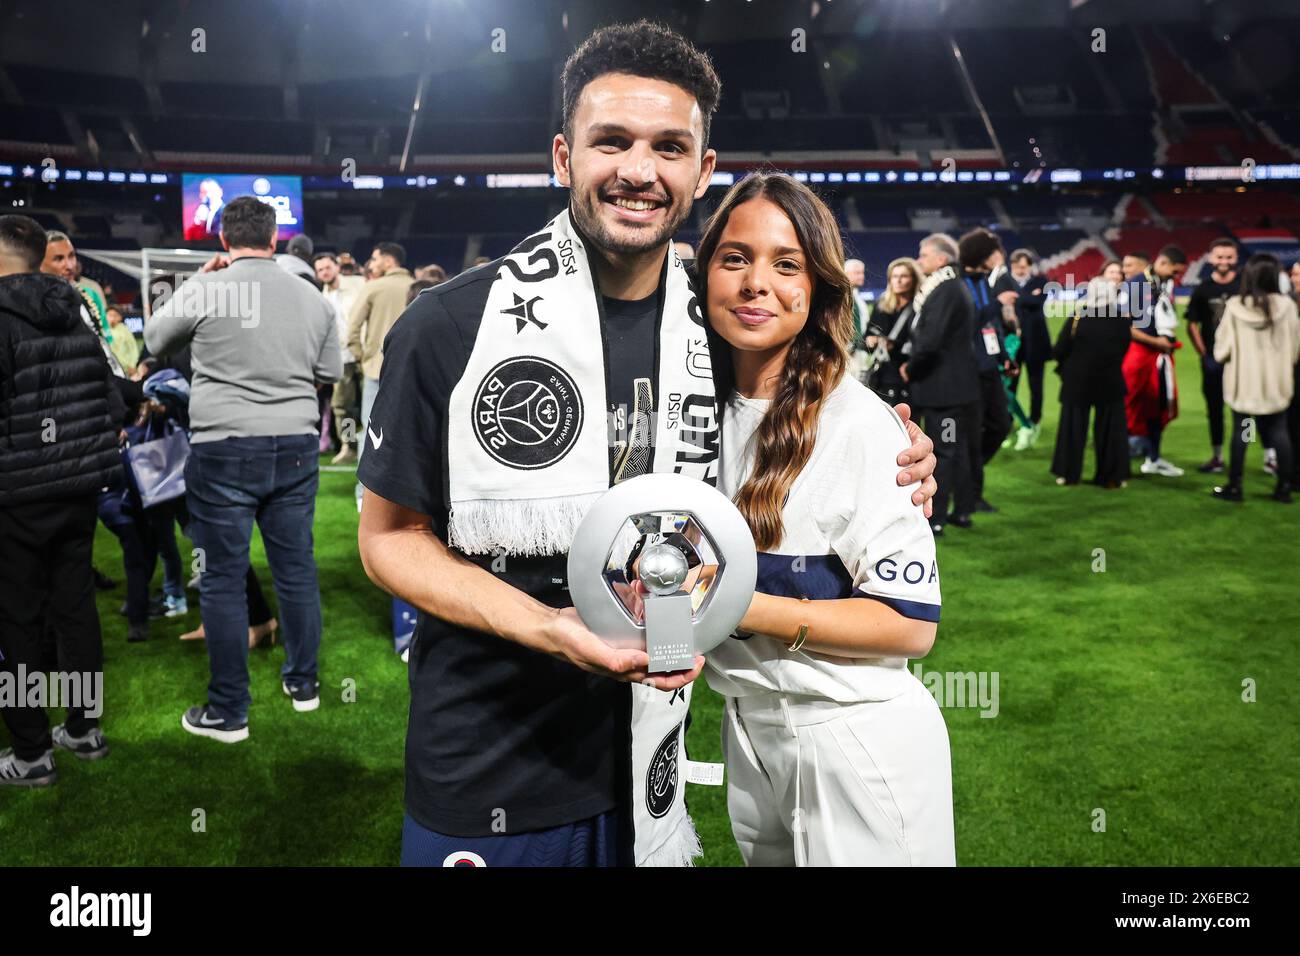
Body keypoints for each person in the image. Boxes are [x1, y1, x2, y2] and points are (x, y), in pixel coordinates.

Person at [354, 19, 938, 868]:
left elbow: (801, 404)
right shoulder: (451, 327)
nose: (638, 169)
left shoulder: (714, 326)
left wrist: (906, 448)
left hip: (650, 760)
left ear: (702, 172)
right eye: (611, 141)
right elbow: (389, 541)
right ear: (564, 157)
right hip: (490, 764)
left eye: (669, 146)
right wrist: (552, 628)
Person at [697, 172, 952, 867]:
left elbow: (909, 625)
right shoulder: (688, 403)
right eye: (734, 258)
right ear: (704, 272)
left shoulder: (862, 425)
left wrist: (732, 605)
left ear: (820, 290)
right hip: (749, 726)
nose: (756, 283)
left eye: (787, 264)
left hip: (853, 736)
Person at [145, 195, 341, 742]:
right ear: (275, 239)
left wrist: (199, 281)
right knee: (296, 570)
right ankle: (304, 684)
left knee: (222, 579)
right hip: (296, 443)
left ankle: (229, 711)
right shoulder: (312, 297)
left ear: (223, 241)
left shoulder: (209, 286)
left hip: (224, 446)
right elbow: (329, 370)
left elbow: (157, 340)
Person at [0, 214, 124, 786]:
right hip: (75, 489)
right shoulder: (75, 310)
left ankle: (31, 752)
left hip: (16, 496)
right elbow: (112, 398)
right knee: (74, 609)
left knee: (19, 622)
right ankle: (84, 728)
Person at [901, 233, 979, 535]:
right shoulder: (952, 287)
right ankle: (962, 510)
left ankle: (936, 517)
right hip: (952, 387)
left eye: (924, 254)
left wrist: (912, 366)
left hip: (942, 389)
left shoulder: (945, 290)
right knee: (955, 450)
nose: (920, 260)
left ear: (941, 259)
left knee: (944, 452)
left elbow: (931, 342)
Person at [1210, 254, 1300, 503]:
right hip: (1276, 386)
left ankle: (1236, 486)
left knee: (1243, 431)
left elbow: (1221, 351)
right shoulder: (1287, 307)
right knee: (1279, 431)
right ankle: (1283, 488)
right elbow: (1295, 349)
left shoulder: (1236, 307)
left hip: (1245, 387)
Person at [1050, 265, 1132, 488]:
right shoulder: (1122, 320)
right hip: (1110, 380)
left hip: (1078, 380)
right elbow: (1124, 348)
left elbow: (1060, 348)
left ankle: (1068, 474)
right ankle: (1111, 477)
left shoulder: (1079, 316)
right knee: (1111, 430)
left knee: (1072, 429)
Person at [345, 241, 414, 498]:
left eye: (374, 259)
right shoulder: (418, 287)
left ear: (388, 260)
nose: (372, 264)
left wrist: (364, 357)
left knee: (370, 430)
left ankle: (365, 494)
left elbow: (352, 330)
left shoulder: (374, 287)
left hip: (377, 371)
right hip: (410, 372)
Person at [957, 228, 1015, 514]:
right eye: (995, 252)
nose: (1000, 257)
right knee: (971, 434)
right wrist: (998, 303)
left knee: (1002, 424)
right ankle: (971, 495)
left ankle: (966, 477)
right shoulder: (960, 281)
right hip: (970, 370)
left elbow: (988, 326)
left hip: (989, 366)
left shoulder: (983, 281)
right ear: (982, 254)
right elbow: (970, 321)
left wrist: (1004, 356)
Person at [1122, 245, 1187, 477]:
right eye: (1175, 271)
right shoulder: (1137, 285)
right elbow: (1126, 325)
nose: (1176, 277)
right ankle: (1118, 464)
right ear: (1163, 263)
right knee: (1130, 407)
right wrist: (1156, 342)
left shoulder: (1162, 283)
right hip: (1140, 356)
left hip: (1158, 356)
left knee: (1158, 407)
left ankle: (1153, 458)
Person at [1185, 238, 1241, 474]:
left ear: (1236, 258)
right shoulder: (1203, 289)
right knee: (1215, 410)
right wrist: (1204, 354)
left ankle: (1249, 453)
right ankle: (1217, 455)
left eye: (1228, 257)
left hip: (1241, 361)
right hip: (1213, 361)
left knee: (1245, 412)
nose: (1224, 261)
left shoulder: (1244, 286)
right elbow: (1191, 324)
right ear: (1210, 258)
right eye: (1219, 256)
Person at [315, 251, 366, 463]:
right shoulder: (322, 296)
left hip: (364, 354)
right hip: (341, 357)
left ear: (336, 266)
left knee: (373, 402)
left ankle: (376, 446)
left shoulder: (359, 283)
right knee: (342, 405)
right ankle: (350, 445)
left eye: (327, 267)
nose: (324, 272)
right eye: (319, 270)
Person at [863, 257, 921, 404]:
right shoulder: (881, 306)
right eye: (895, 276)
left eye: (904, 276)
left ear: (914, 279)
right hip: (883, 374)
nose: (898, 281)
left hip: (909, 373)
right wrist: (870, 341)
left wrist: (893, 345)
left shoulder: (921, 307)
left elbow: (923, 341)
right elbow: (867, 337)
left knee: (908, 423)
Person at [1007, 248, 1048, 449]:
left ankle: (1035, 422)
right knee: (1010, 388)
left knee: (1036, 386)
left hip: (1036, 343)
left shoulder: (1042, 281)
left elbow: (1038, 301)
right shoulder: (1006, 282)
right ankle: (1008, 425)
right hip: (1012, 344)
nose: (1020, 270)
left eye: (1023, 266)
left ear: (1030, 266)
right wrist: (1028, 297)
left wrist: (1017, 299)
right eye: (1016, 266)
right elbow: (1030, 301)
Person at [106, 305, 139, 374]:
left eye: (115, 315)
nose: (112, 318)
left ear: (120, 317)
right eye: (110, 315)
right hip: (110, 368)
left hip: (126, 368)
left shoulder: (124, 330)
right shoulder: (104, 330)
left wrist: (132, 365)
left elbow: (133, 348)